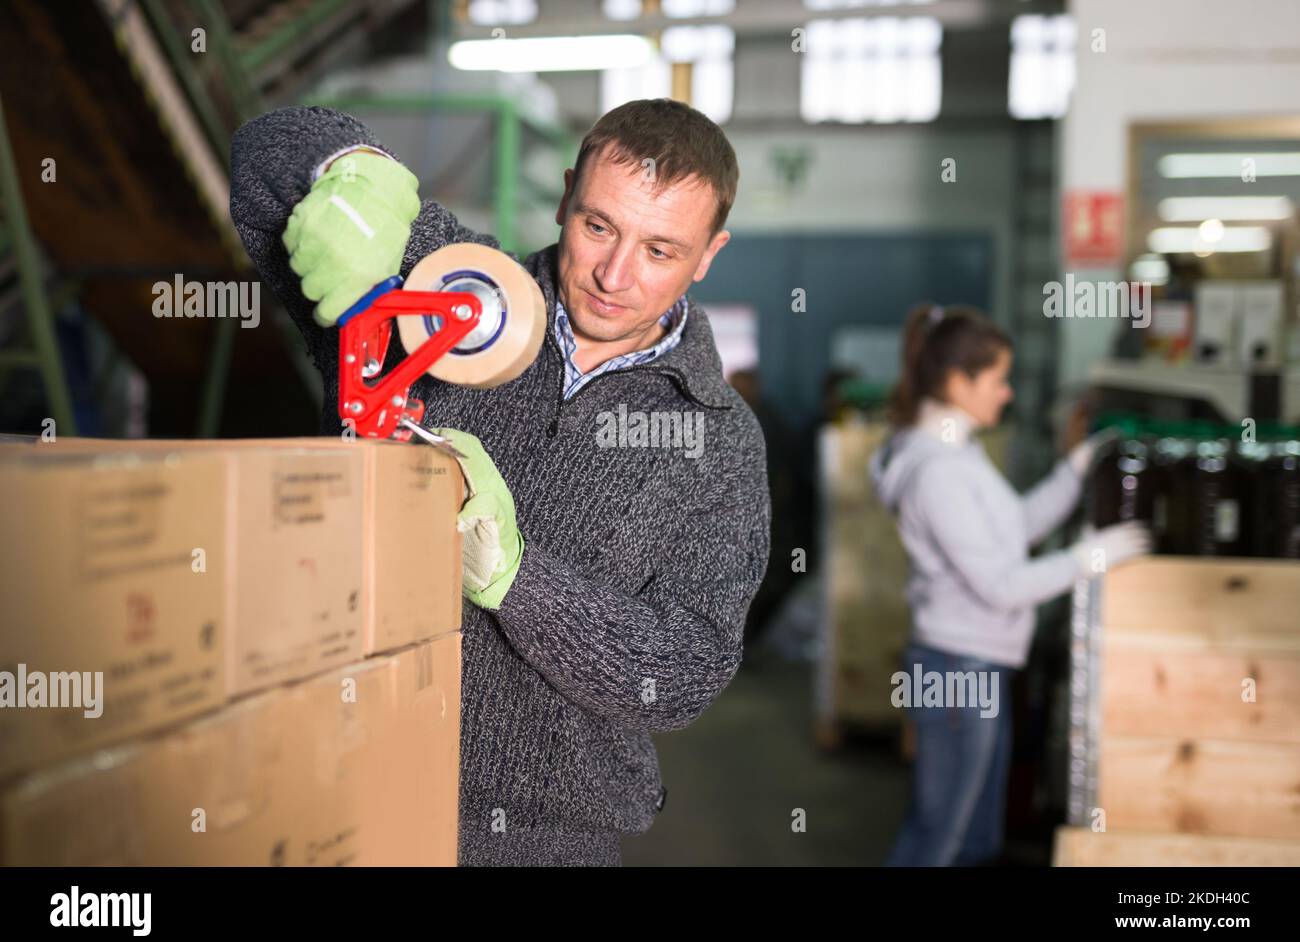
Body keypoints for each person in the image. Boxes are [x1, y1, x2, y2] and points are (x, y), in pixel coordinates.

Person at [229, 99, 771, 866]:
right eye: (597, 226)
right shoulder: (446, 286)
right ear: (562, 198)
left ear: (708, 255)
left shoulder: (718, 442)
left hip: (548, 840)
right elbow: (266, 154)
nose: (615, 276)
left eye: (660, 250)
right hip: (342, 795)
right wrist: (351, 176)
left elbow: (685, 669)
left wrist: (519, 583)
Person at [869, 303, 1150, 867]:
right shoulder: (938, 472)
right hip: (954, 669)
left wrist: (1074, 469)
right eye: (998, 379)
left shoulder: (956, 452)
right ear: (957, 381)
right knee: (938, 835)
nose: (1007, 393)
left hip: (974, 663)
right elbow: (1000, 584)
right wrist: (1089, 558)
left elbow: (1013, 530)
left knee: (974, 838)